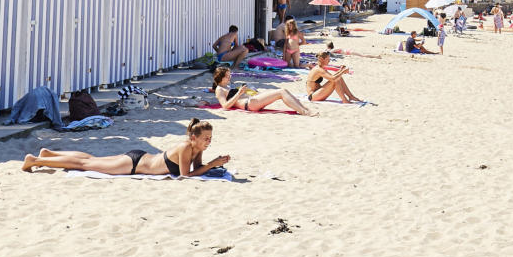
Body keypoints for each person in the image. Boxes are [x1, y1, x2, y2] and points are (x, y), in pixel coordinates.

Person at [23, 119, 226, 177]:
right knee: (86, 164)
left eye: (210, 138)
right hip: (134, 164)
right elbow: (185, 175)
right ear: (193, 137)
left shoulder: (197, 150)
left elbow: (197, 169)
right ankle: (36, 161)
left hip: (138, 158)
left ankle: (49, 154)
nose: (209, 141)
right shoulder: (185, 148)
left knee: (91, 159)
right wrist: (213, 165)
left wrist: (212, 164)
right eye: (206, 138)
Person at [211, 65, 315, 114]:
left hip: (252, 100)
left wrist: (247, 90)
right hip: (249, 103)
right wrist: (238, 93)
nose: (229, 78)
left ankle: (304, 108)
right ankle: (303, 111)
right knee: (281, 91)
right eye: (227, 76)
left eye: (230, 76)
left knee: (283, 91)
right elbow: (225, 106)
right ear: (220, 77)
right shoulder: (219, 89)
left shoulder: (227, 87)